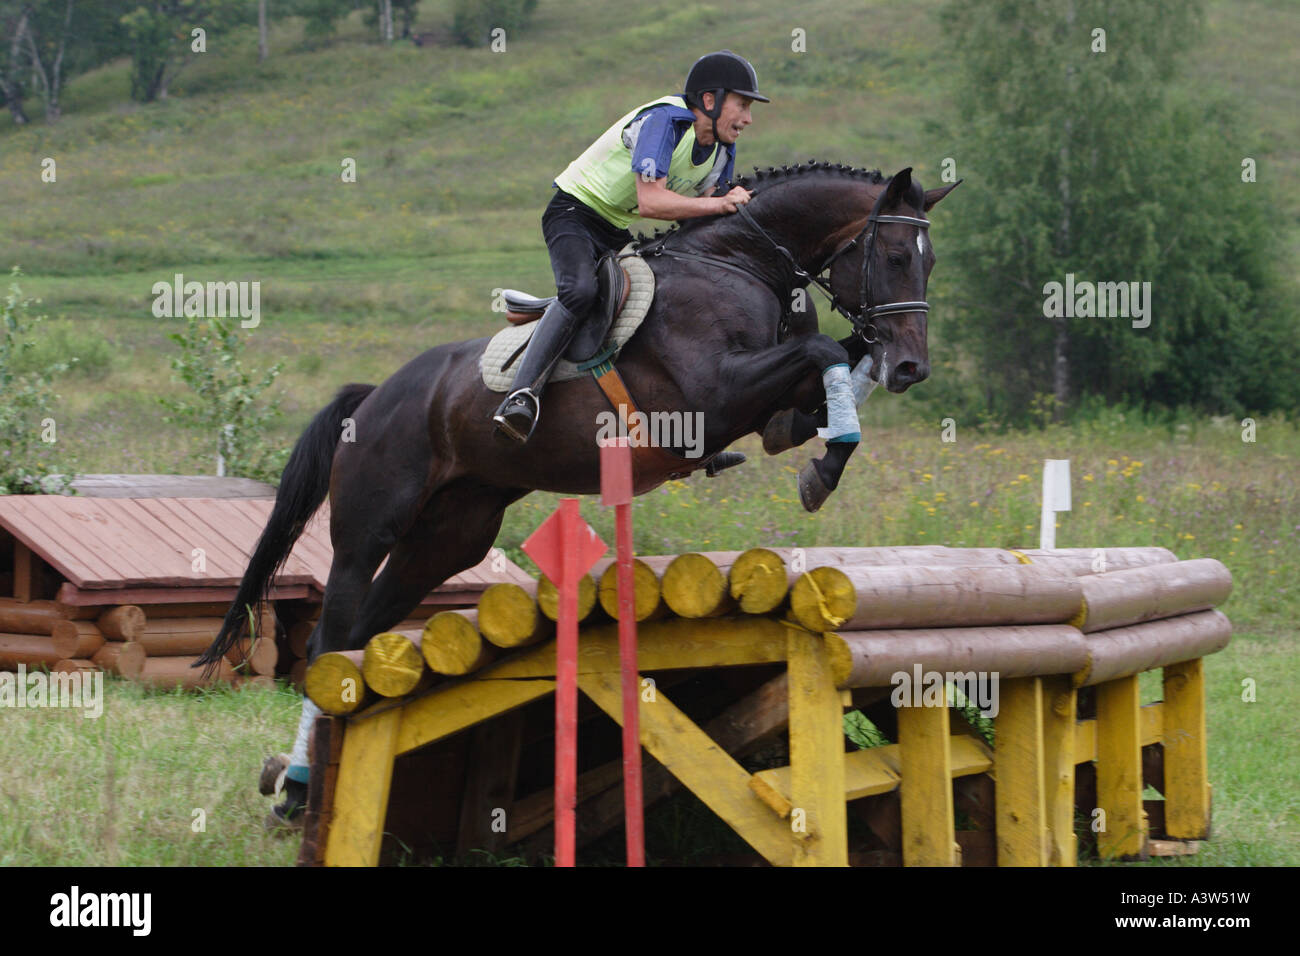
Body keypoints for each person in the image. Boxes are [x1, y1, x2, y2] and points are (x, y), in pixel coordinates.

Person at [492, 50, 769, 443]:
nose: (748, 119)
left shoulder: (721, 148)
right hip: (573, 213)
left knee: (662, 297)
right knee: (581, 291)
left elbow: (703, 218)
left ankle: (686, 426)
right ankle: (521, 397)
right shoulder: (664, 122)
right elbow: (652, 202)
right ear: (711, 100)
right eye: (742, 105)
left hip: (615, 227)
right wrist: (719, 203)